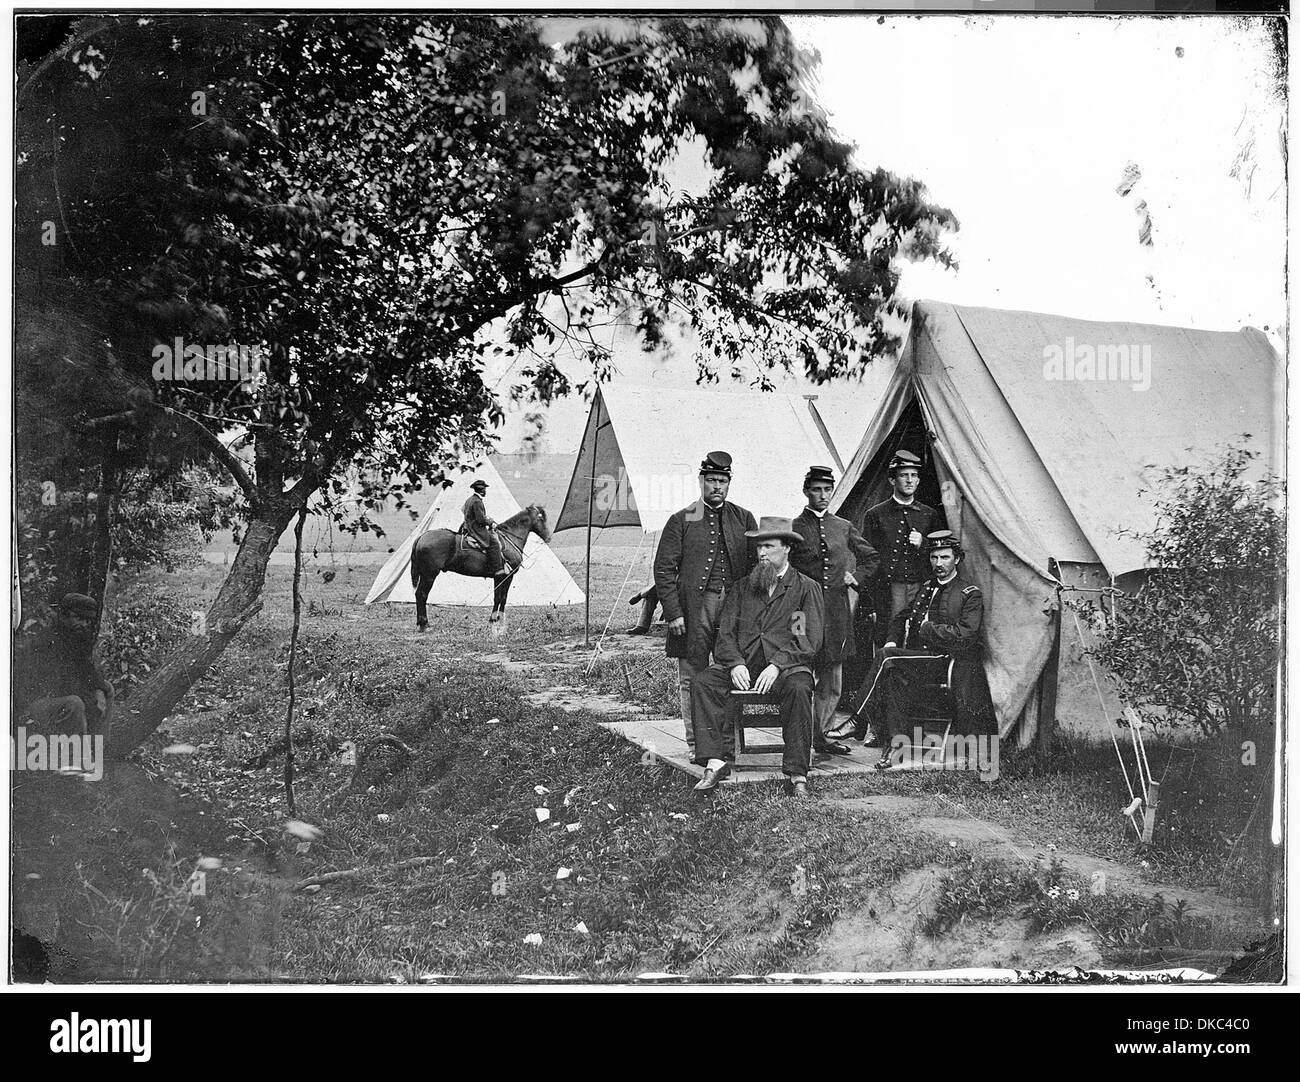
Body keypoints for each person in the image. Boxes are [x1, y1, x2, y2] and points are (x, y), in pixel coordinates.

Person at [690, 517, 825, 798]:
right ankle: (716, 761)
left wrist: (777, 665)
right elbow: (725, 634)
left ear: (786, 547)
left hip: (787, 667)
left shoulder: (803, 589)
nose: (761, 553)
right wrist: (736, 662)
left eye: (768, 546)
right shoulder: (742, 588)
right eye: (758, 547)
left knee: (800, 688)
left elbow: (805, 639)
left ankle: (797, 772)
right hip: (747, 665)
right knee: (703, 682)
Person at [855, 531, 994, 770]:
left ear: (957, 559)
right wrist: (891, 640)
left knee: (887, 659)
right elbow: (900, 619)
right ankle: (893, 747)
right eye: (934, 558)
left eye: (945, 557)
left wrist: (929, 629)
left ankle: (857, 718)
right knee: (892, 673)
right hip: (919, 662)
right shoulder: (926, 589)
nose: (938, 564)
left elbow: (965, 636)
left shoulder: (969, 593)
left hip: (945, 662)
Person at [652, 452, 757, 757]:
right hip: (693, 611)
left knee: (729, 675)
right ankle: (696, 744)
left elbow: (753, 567)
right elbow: (664, 569)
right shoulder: (681, 520)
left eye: (722, 481)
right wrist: (673, 612)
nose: (716, 486)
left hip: (733, 610)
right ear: (700, 481)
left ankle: (728, 745)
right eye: (711, 480)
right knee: (691, 677)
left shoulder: (744, 518)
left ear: (729, 483)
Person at [856, 449, 945, 739]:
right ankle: (873, 726)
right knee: (882, 653)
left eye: (914, 475)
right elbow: (868, 563)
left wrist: (923, 546)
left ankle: (904, 724)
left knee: (912, 655)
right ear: (893, 478)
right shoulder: (876, 515)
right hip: (886, 596)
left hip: (918, 594)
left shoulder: (929, 515)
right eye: (904, 475)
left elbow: (938, 562)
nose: (910, 480)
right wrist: (869, 603)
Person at [790, 465, 879, 756]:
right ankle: (800, 735)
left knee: (832, 677)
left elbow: (871, 557)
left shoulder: (842, 526)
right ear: (806, 491)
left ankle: (823, 735)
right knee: (800, 671)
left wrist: (857, 577)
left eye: (827, 489)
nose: (823, 495)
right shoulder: (794, 527)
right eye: (816, 489)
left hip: (837, 611)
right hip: (802, 611)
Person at [13, 592, 115, 741]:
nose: (84, 624)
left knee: (108, 689)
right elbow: (60, 685)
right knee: (75, 702)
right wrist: (91, 693)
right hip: (34, 706)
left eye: (87, 620)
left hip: (60, 699)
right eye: (79, 618)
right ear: (63, 615)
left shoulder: (75, 637)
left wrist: (99, 690)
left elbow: (86, 669)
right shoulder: (46, 642)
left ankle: (99, 747)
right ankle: (79, 755)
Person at [462, 478, 508, 578]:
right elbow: (481, 520)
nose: (485, 491)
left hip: (467, 526)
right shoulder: (477, 502)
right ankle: (498, 569)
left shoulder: (469, 499)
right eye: (484, 489)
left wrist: (483, 517)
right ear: (481, 490)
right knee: (494, 543)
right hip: (475, 529)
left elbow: (463, 510)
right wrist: (491, 523)